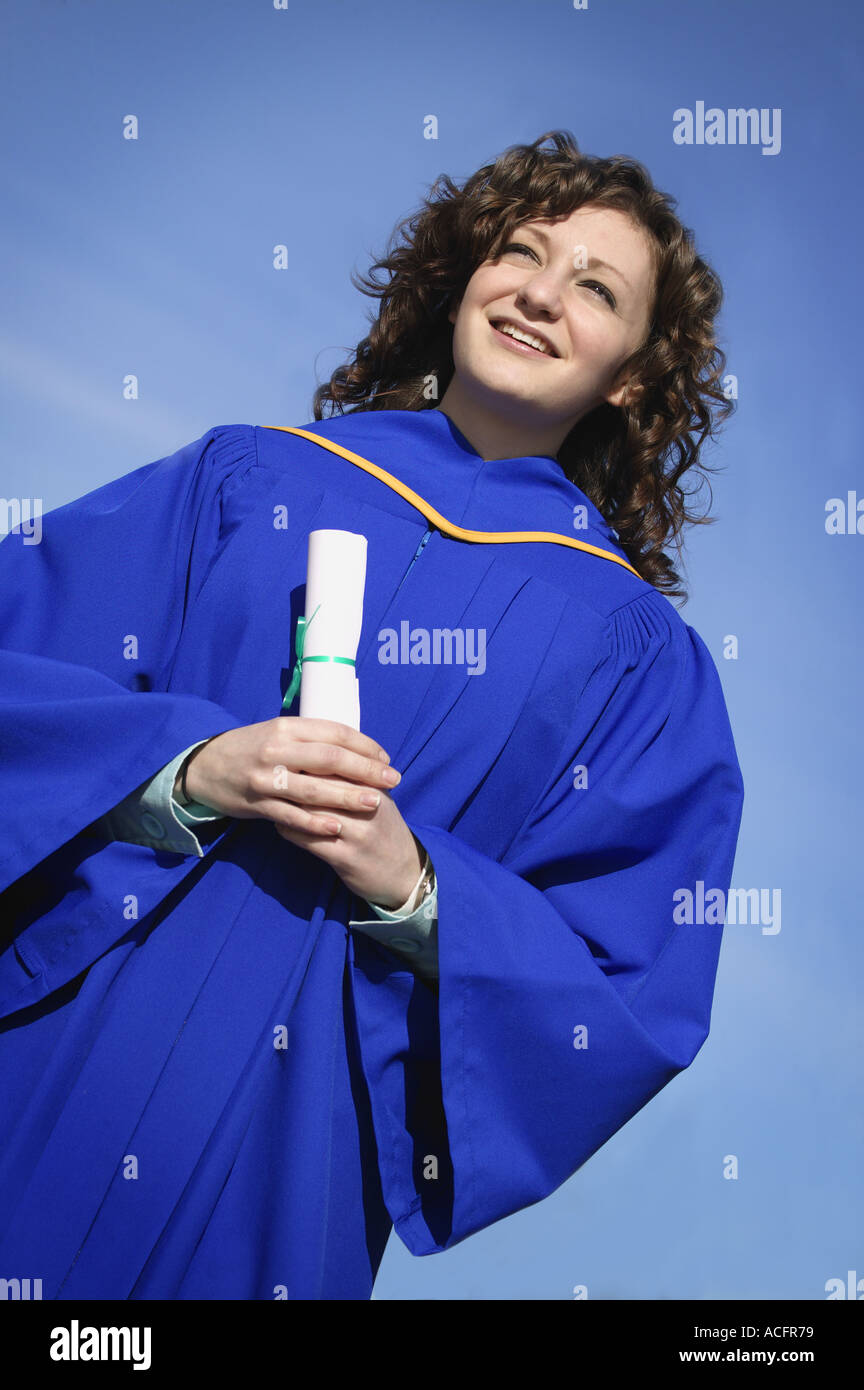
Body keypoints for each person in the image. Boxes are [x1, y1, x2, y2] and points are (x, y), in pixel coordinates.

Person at [0, 130, 744, 1300]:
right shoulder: (245, 478)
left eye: (596, 289)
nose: (542, 294)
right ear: (467, 277)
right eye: (522, 252)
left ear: (634, 377)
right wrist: (184, 767)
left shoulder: (635, 656)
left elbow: (630, 990)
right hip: (61, 1036)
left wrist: (420, 886)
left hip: (294, 1139)